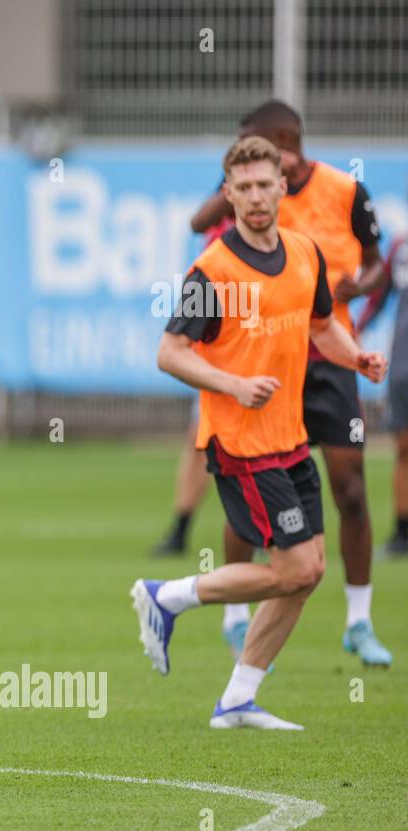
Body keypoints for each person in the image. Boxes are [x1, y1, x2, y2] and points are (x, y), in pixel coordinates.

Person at [130, 135, 387, 729]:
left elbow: (322, 327)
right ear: (228, 195)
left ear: (281, 188)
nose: (253, 196)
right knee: (296, 569)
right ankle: (168, 597)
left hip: (290, 437)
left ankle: (238, 699)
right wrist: (230, 384)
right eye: (241, 187)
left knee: (310, 570)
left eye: (262, 185)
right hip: (241, 444)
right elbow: (170, 353)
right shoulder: (213, 268)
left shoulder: (305, 253)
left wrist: (356, 359)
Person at [356, 233, 408, 556]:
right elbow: (378, 295)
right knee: (403, 449)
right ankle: (403, 533)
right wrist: (356, 329)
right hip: (403, 363)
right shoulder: (401, 248)